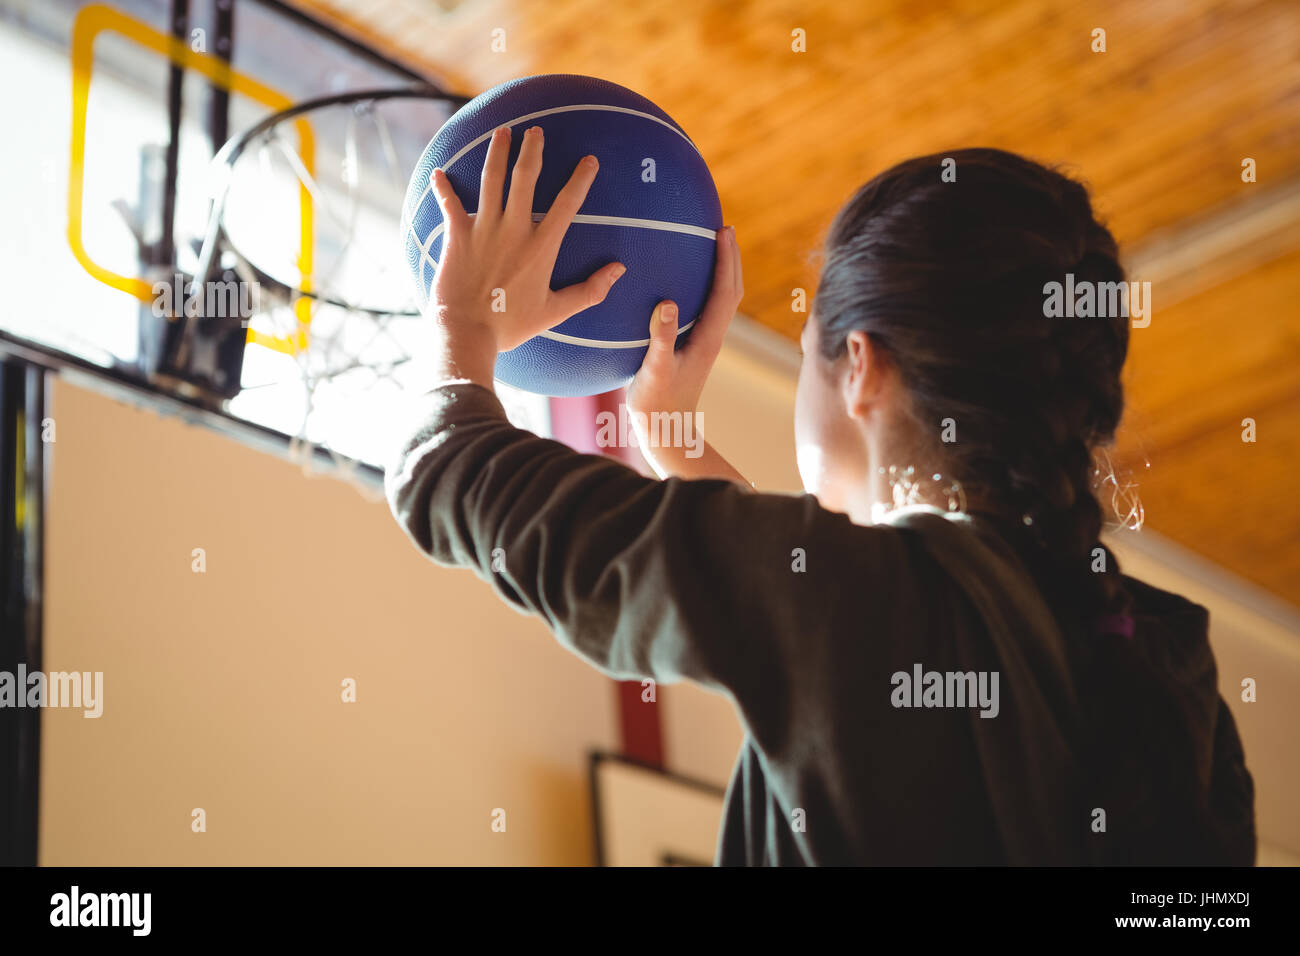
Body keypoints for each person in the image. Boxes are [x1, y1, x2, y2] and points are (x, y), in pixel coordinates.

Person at [385, 126, 1255, 865]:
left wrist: (463, 331)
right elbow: (826, 628)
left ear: (862, 370)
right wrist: (674, 441)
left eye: (807, 355)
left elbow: (444, 471)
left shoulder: (852, 606)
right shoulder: (1169, 662)